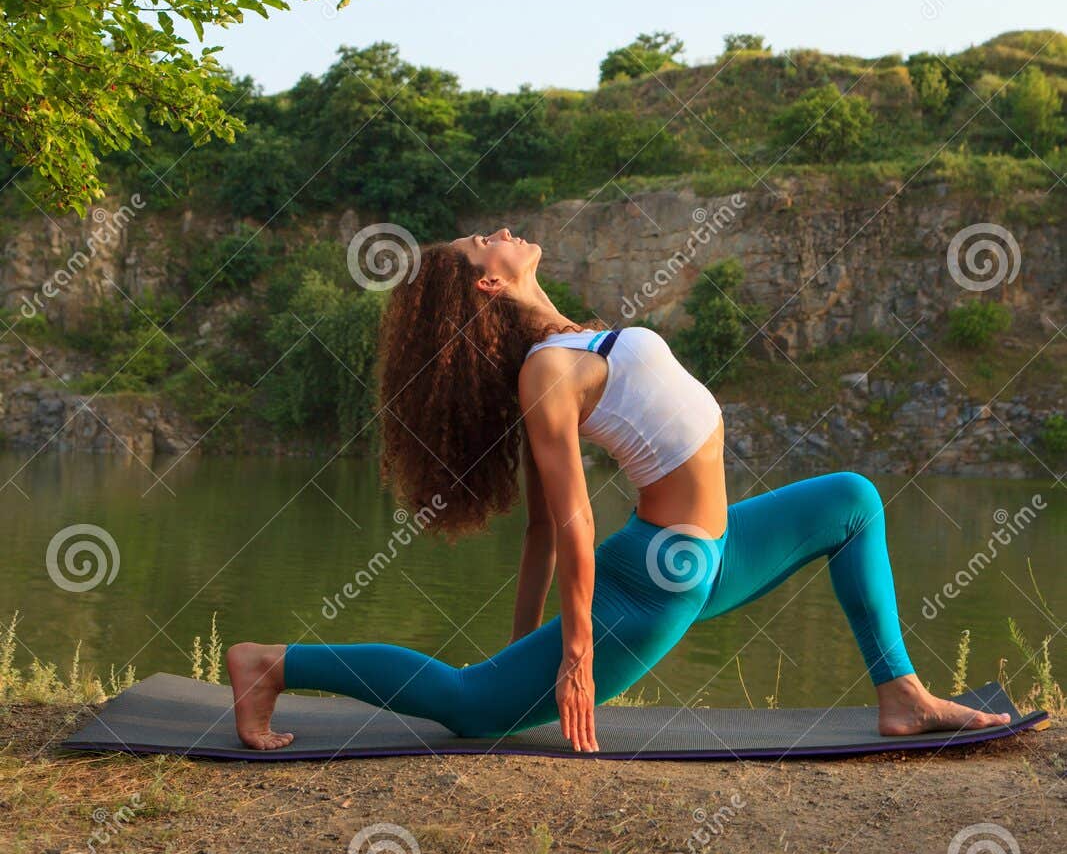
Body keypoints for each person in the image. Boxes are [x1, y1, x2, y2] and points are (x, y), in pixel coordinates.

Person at [227, 227, 1010, 750]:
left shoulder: (571, 341)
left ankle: (900, 694)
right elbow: (565, 525)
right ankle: (272, 665)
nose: (500, 231)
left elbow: (541, 531)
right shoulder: (545, 373)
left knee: (851, 500)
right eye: (482, 242)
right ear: (489, 283)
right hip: (660, 578)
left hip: (716, 551)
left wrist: (521, 647)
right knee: (471, 708)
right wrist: (570, 654)